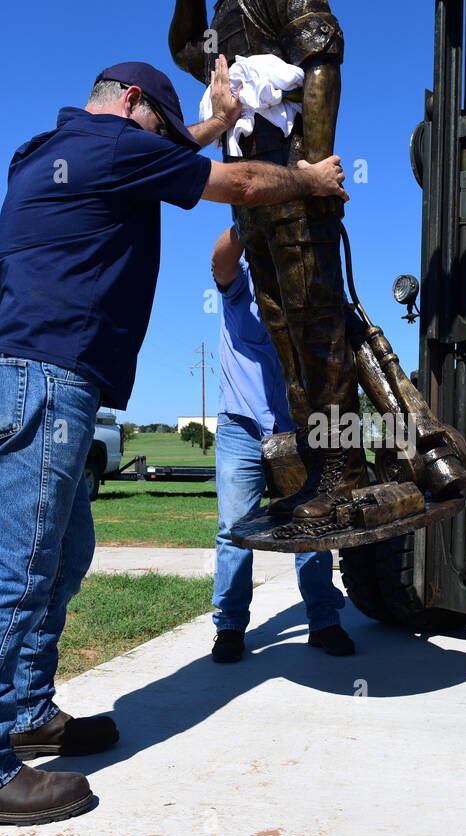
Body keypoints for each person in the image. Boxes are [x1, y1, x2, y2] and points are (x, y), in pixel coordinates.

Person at [0, 57, 350, 832]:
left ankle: (26, 711)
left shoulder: (49, 150)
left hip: (11, 372)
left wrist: (217, 124)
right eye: (158, 121)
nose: (164, 138)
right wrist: (313, 182)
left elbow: (166, 149)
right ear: (129, 103)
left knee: (63, 552)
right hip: (46, 377)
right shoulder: (114, 147)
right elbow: (245, 187)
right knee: (17, 570)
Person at [170, 0, 369, 523]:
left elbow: (323, 59)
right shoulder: (223, 15)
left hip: (295, 182)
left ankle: (342, 475)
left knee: (319, 333)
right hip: (252, 198)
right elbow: (184, 49)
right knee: (284, 335)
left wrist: (315, 169)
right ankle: (313, 472)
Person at [208, 226, 351, 663]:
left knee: (313, 525)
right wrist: (251, 218)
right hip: (242, 424)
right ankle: (230, 627)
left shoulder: (312, 290)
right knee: (235, 529)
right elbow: (221, 261)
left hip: (300, 428)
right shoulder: (240, 284)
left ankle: (324, 621)